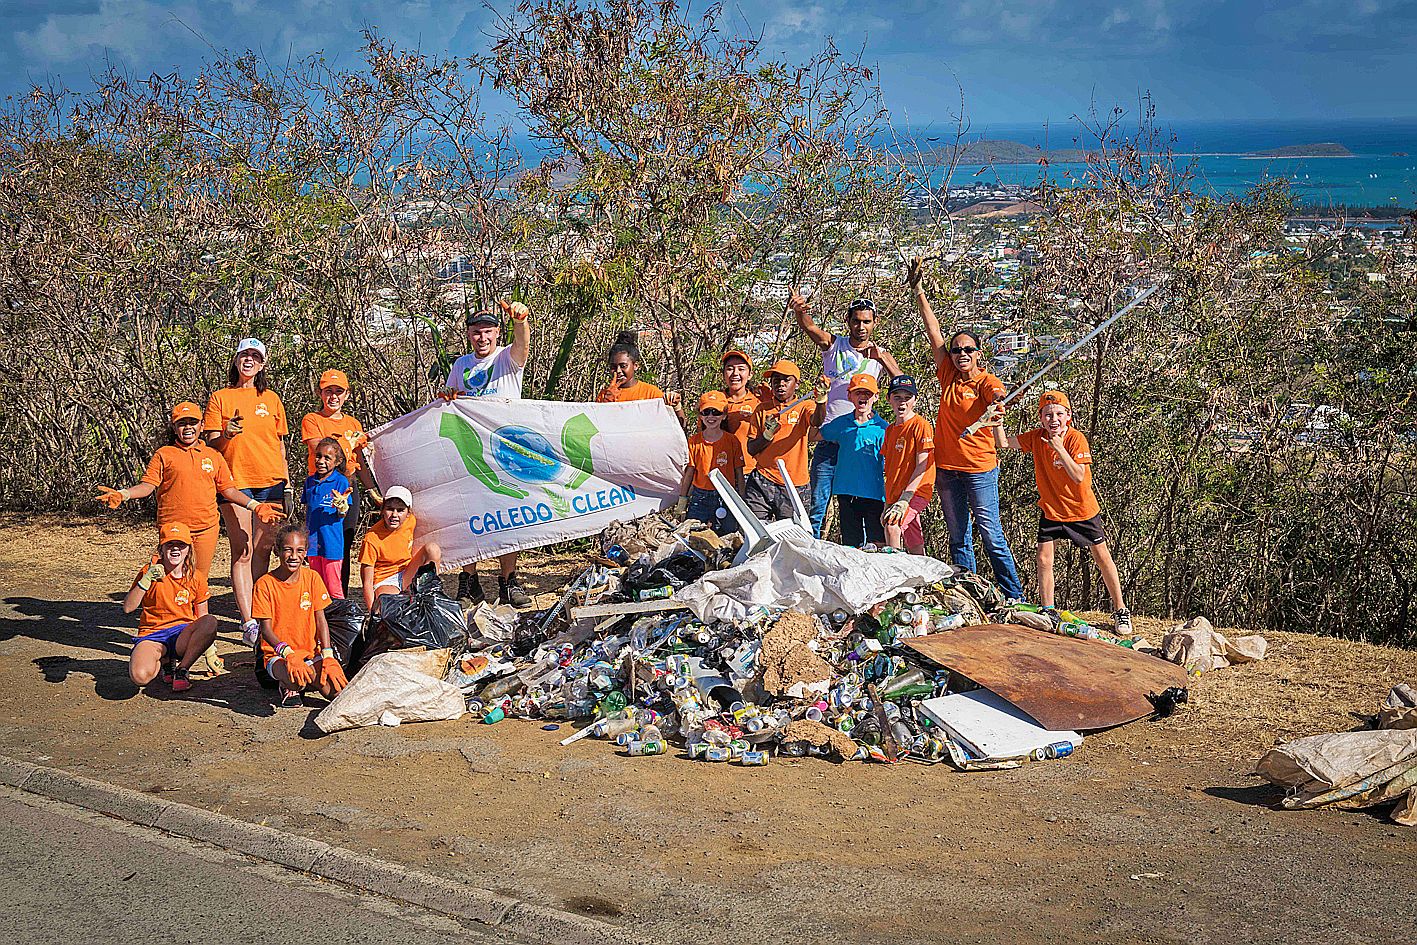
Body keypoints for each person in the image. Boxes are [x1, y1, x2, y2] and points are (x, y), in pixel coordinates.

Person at [98, 401, 284, 675]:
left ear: (200, 426)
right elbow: (147, 486)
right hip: (173, 532)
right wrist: (124, 494)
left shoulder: (212, 456)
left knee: (198, 584)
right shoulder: (165, 454)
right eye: (182, 423)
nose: (188, 428)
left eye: (193, 423)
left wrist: (256, 506)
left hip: (205, 529)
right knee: (164, 581)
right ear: (174, 427)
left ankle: (204, 647)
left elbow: (230, 491)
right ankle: (162, 640)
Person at [909, 260, 1026, 601]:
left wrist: (997, 404)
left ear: (978, 354)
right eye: (957, 349)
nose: (961, 353)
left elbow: (998, 394)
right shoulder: (947, 375)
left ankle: (1013, 594)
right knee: (958, 535)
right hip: (947, 468)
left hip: (978, 470)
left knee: (991, 533)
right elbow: (934, 334)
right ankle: (970, 593)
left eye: (968, 350)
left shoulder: (986, 381)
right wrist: (919, 291)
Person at [992, 390, 1131, 633]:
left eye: (1058, 414)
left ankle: (1120, 610)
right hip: (1051, 510)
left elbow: (1078, 476)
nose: (1053, 419)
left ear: (1068, 416)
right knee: (1044, 559)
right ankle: (1048, 610)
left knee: (1102, 558)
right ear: (1041, 418)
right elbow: (1003, 443)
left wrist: (1059, 448)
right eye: (1047, 414)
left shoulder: (1075, 439)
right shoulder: (1037, 437)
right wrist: (997, 422)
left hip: (1081, 510)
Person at [787, 290, 901, 538]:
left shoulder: (880, 355)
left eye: (867, 321)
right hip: (830, 439)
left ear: (875, 322)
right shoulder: (835, 345)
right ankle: (813, 551)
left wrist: (882, 358)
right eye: (856, 320)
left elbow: (903, 384)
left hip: (861, 442)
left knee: (863, 504)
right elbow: (811, 329)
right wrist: (800, 310)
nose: (861, 326)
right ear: (847, 321)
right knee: (818, 506)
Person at [441, 300, 531, 607]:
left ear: (497, 333)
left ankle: (508, 580)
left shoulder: (507, 358)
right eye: (477, 332)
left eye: (489, 332)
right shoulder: (460, 366)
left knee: (508, 517)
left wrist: (520, 321)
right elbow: (451, 404)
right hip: (472, 453)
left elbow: (522, 344)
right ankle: (470, 580)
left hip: (507, 450)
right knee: (473, 516)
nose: (483, 338)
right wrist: (448, 398)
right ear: (469, 335)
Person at [203, 338, 292, 643]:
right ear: (236, 360)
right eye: (245, 355)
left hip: (271, 482)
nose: (249, 360)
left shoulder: (272, 399)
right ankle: (249, 622)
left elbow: (279, 445)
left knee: (265, 548)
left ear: (262, 364)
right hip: (234, 483)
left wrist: (288, 482)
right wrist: (226, 434)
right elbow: (211, 445)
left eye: (256, 356)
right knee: (242, 549)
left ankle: (260, 608)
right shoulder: (220, 398)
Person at [300, 369, 381, 592]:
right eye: (328, 391)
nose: (333, 397)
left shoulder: (353, 424)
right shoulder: (313, 420)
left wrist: (371, 489)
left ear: (347, 394)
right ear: (320, 393)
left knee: (343, 543)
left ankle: (339, 596)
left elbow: (359, 461)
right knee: (318, 543)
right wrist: (348, 444)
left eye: (339, 391)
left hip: (348, 487)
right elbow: (322, 453)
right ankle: (318, 595)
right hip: (322, 488)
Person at [252, 524, 348, 708]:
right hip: (279, 655)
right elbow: (266, 629)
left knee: (337, 692)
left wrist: (328, 655)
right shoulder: (265, 584)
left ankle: (312, 674)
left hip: (311, 653)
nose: (294, 556)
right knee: (296, 679)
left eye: (299, 550)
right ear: (277, 551)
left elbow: (321, 621)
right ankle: (289, 685)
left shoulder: (312, 578)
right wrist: (288, 653)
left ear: (305, 553)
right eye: (288, 550)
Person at [121, 522, 221, 693]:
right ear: (162, 548)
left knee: (211, 622)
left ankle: (182, 670)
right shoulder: (149, 571)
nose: (175, 549)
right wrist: (145, 581)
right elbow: (128, 608)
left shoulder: (196, 577)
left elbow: (204, 617)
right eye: (170, 544)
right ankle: (165, 661)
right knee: (140, 677)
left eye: (181, 545)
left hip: (182, 634)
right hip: (152, 634)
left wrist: (209, 650)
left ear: (188, 549)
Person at [744, 360, 822, 524]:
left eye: (787, 380)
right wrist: (766, 435)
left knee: (792, 539)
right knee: (755, 531)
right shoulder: (762, 409)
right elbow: (751, 449)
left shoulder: (804, 406)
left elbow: (816, 421)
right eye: (776, 380)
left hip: (794, 485)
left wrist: (822, 401)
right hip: (762, 480)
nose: (781, 384)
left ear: (797, 384)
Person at [818, 374, 889, 548]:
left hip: (874, 494)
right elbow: (815, 434)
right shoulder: (841, 423)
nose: (862, 397)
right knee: (851, 545)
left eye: (867, 393)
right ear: (850, 396)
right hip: (846, 492)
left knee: (878, 544)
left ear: (876, 397)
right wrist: (820, 401)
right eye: (858, 392)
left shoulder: (884, 428)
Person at [358, 486, 444, 614]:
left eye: (400, 510)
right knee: (393, 605)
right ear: (382, 510)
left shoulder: (410, 521)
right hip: (385, 579)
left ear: (408, 512)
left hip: (406, 572)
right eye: (390, 509)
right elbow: (367, 581)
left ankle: (430, 593)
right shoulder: (371, 538)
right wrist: (372, 612)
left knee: (433, 549)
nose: (394, 515)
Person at [880, 376, 936, 555]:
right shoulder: (889, 430)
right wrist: (888, 503)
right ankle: (922, 574)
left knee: (892, 526)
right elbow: (890, 469)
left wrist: (905, 498)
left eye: (907, 398)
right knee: (912, 536)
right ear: (889, 399)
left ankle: (896, 575)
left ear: (914, 400)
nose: (902, 403)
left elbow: (923, 464)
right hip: (895, 493)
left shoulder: (920, 425)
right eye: (897, 397)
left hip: (916, 490)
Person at [675, 390, 743, 534]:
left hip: (726, 496)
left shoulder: (732, 441)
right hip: (700, 498)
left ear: (724, 415)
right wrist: (682, 500)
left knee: (728, 536)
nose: (711, 416)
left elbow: (739, 473)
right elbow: (689, 473)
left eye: (716, 412)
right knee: (694, 536)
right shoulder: (694, 442)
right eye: (706, 412)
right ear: (700, 415)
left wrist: (742, 501)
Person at [595, 330, 685, 422]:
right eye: (613, 367)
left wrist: (676, 406)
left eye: (623, 366)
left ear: (636, 366)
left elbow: (678, 427)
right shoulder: (604, 395)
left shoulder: (651, 393)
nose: (618, 371)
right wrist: (605, 405)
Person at [302, 437, 353, 599]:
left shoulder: (340, 482)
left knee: (333, 587)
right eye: (318, 456)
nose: (321, 461)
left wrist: (342, 508)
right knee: (317, 586)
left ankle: (340, 621)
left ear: (337, 462)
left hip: (331, 543)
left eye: (327, 458)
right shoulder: (310, 481)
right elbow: (308, 511)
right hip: (313, 543)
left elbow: (342, 513)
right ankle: (320, 622)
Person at [719, 349, 767, 474]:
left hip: (749, 470)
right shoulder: (715, 401)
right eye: (730, 368)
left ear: (750, 374)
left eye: (741, 369)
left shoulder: (758, 403)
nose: (735, 373)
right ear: (723, 373)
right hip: (718, 471)